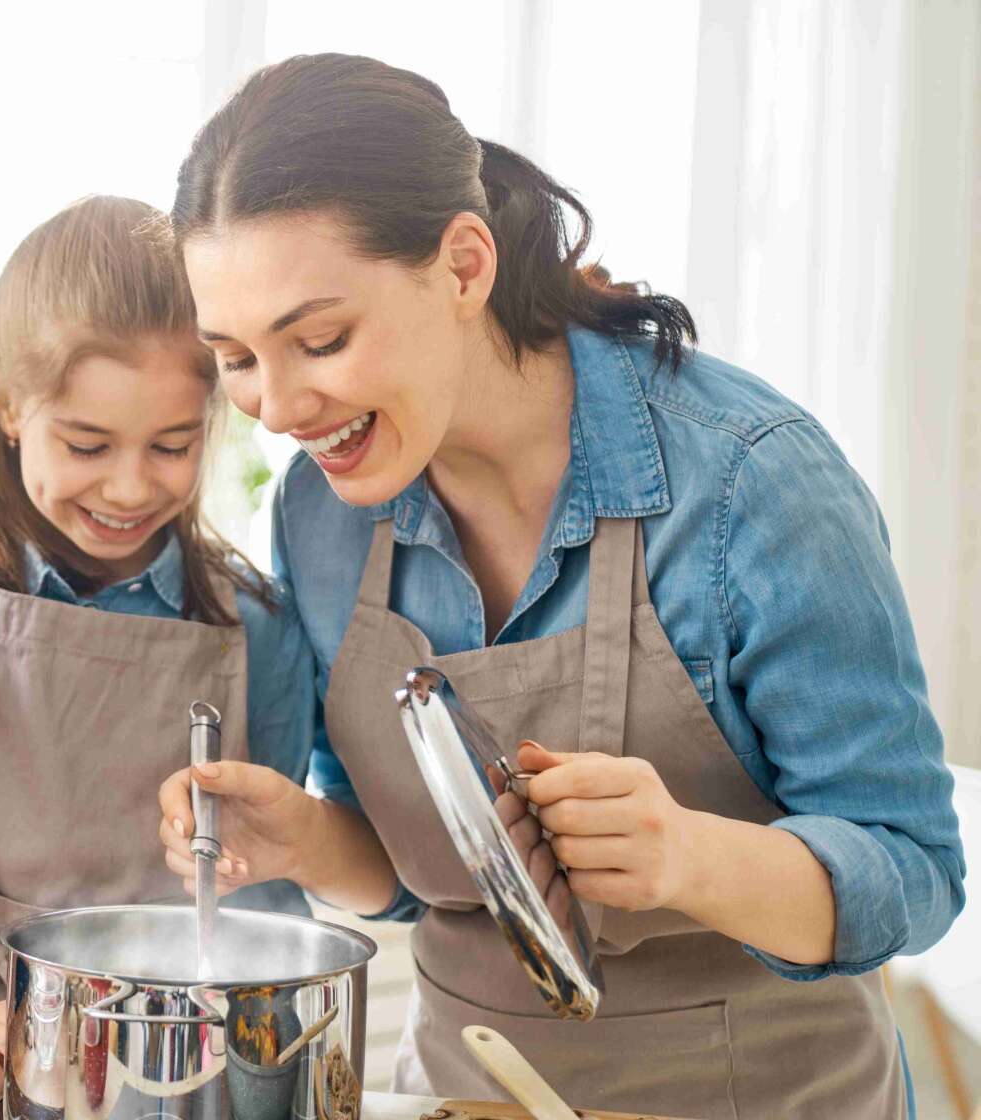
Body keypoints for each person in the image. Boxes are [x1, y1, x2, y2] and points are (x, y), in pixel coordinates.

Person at [155, 54, 963, 1119]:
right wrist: (304, 840)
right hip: (464, 1095)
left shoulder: (750, 482)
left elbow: (916, 871)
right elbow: (414, 874)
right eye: (236, 358)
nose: (280, 406)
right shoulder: (323, 513)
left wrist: (692, 857)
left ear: (464, 265)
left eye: (319, 340)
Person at [0, 196, 321, 1089]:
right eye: (87, 445)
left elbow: (262, 892)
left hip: (182, 1061)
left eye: (172, 445)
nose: (129, 488)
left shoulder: (260, 628)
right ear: (10, 406)